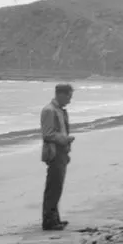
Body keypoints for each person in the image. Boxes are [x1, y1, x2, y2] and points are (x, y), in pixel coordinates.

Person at [40, 83, 75, 230]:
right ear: (61, 94)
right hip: (54, 152)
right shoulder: (49, 110)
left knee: (57, 186)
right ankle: (49, 220)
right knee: (53, 187)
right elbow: (47, 134)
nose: (69, 100)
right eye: (69, 97)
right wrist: (65, 139)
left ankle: (55, 218)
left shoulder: (59, 110)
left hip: (61, 151)